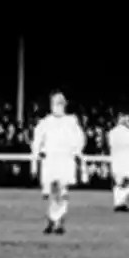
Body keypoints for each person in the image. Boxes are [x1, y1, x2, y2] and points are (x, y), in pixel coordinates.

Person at [31, 91, 85, 234]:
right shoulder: (45, 122)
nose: (58, 106)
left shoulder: (71, 121)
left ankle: (58, 221)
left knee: (62, 190)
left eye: (61, 103)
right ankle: (52, 219)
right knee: (52, 190)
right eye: (56, 102)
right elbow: (37, 140)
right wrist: (38, 152)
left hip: (65, 159)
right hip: (51, 160)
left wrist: (76, 151)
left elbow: (79, 138)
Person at [106, 112, 129, 212]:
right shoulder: (124, 131)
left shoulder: (114, 132)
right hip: (123, 160)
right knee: (125, 182)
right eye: (126, 118)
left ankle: (120, 203)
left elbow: (112, 145)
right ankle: (121, 204)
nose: (128, 120)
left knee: (121, 182)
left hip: (119, 159)